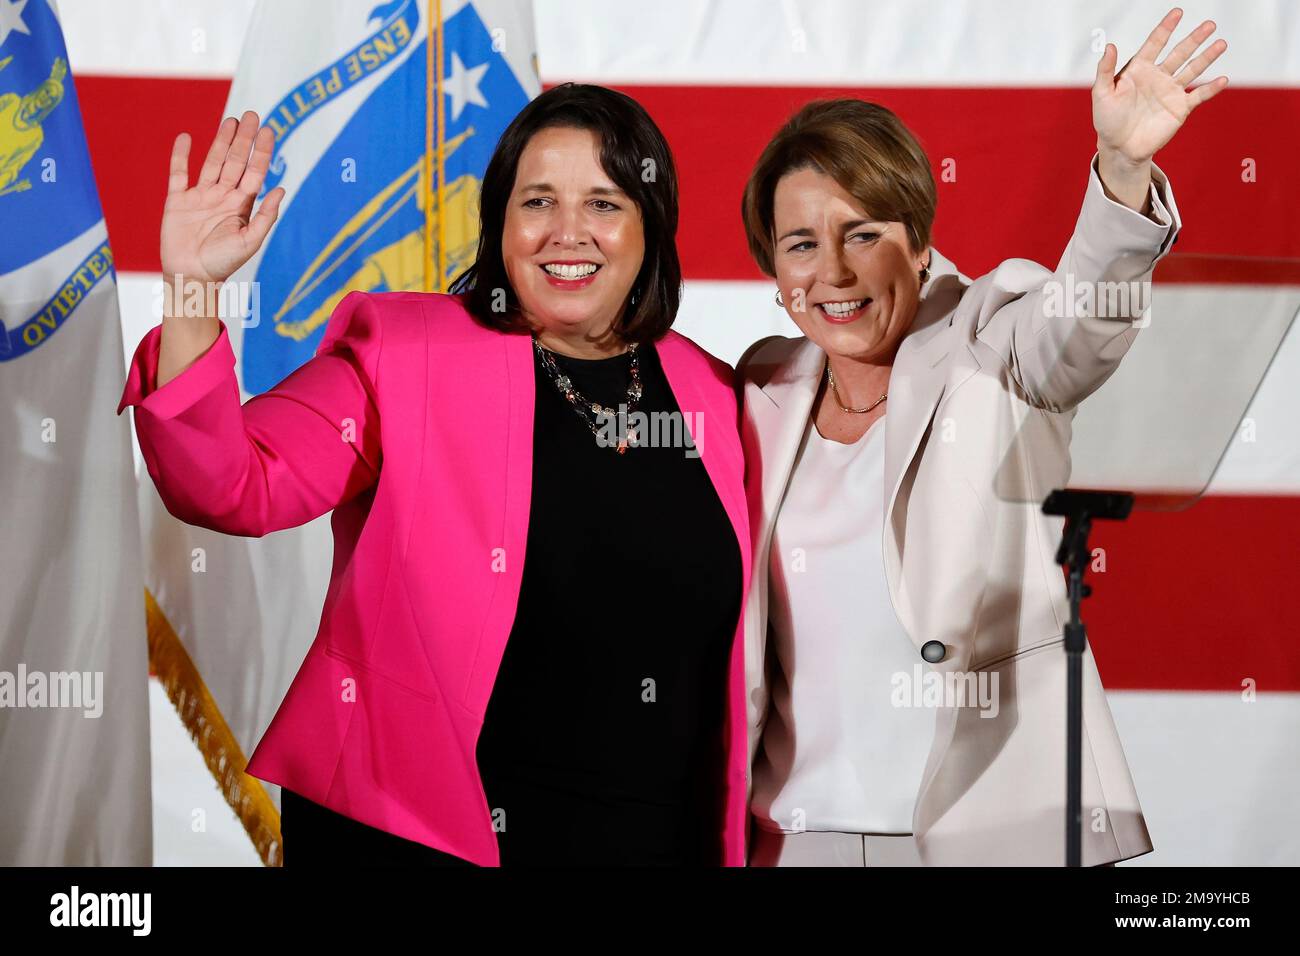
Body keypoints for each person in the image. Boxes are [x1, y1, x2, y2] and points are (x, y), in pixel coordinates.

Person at [117, 83, 752, 866]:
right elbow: (229, 484)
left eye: (605, 203)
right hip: (416, 831)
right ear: (499, 223)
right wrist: (191, 288)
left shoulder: (721, 396)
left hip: (654, 837)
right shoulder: (406, 353)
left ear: (652, 226)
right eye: (538, 201)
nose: (568, 233)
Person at [736, 9, 1224, 866]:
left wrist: (1120, 166)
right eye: (802, 245)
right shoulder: (759, 391)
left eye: (864, 233)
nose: (836, 273)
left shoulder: (993, 339)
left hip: (981, 836)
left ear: (919, 245)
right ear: (777, 277)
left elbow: (1076, 330)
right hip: (789, 840)